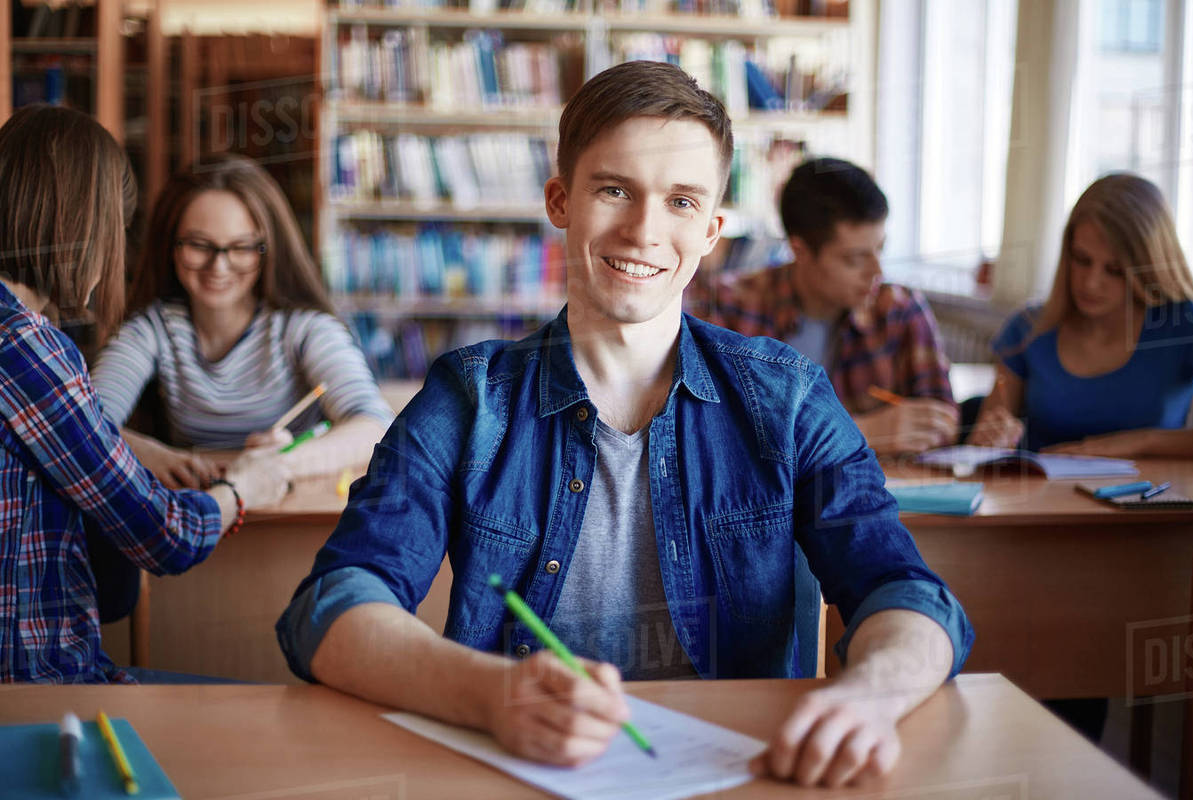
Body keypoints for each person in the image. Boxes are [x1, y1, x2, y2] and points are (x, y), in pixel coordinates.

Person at [277, 61, 972, 788]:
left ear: (712, 230)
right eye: (614, 190)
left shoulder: (788, 397)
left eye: (681, 202)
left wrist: (870, 696)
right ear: (560, 201)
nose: (644, 231)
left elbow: (906, 592)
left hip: (744, 778)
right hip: (516, 774)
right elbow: (333, 607)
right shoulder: (470, 397)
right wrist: (492, 695)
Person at [0, 105, 289, 684]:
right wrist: (245, 488)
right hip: (38, 686)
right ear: (83, 225)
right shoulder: (27, 347)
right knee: (267, 707)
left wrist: (131, 449)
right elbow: (165, 537)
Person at [91, 154, 393, 489]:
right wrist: (145, 452)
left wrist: (284, 463)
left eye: (241, 247)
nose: (219, 267)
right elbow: (82, 423)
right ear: (171, 247)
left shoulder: (304, 330)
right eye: (199, 245)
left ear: (267, 250)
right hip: (203, 512)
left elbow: (376, 427)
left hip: (292, 511)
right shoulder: (151, 330)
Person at [691, 158, 959, 455]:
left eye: (880, 249)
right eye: (854, 259)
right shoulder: (726, 307)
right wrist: (858, 433)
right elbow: (706, 434)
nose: (876, 272)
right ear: (800, 251)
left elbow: (945, 424)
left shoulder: (901, 310)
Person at [968, 173, 1193, 456]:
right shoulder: (1027, 328)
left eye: (1114, 270)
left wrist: (1138, 442)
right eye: (1082, 259)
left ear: (1149, 265)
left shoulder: (1184, 326)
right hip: (1040, 484)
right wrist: (990, 439)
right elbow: (981, 448)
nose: (1091, 283)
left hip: (1149, 485)